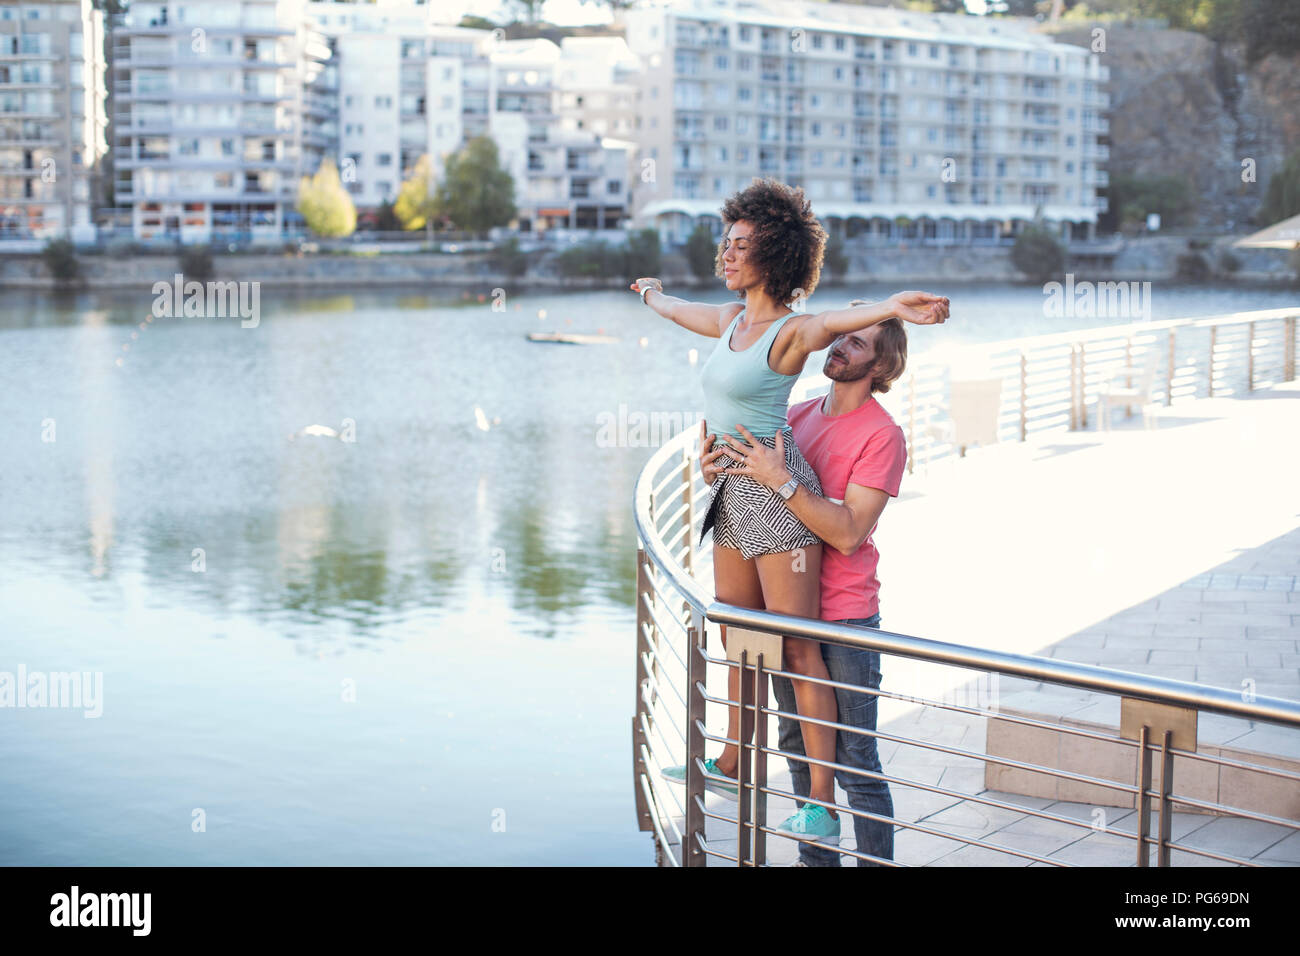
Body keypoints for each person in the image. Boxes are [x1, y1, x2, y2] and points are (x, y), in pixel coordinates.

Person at [636, 177, 947, 845]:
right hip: (732, 489)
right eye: (726, 241)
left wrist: (892, 304)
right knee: (737, 638)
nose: (727, 253)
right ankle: (728, 760)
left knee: (797, 648)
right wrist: (652, 295)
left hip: (776, 496)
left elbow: (830, 322)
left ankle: (821, 806)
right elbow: (682, 310)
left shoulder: (787, 333)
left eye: (741, 246)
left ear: (772, 257)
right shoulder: (730, 321)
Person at [700, 301, 910, 865]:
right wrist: (716, 468)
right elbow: (756, 484)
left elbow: (846, 534)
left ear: (881, 366)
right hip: (789, 608)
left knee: (855, 763)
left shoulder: (883, 436)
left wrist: (781, 479)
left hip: (843, 618)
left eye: (856, 344)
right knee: (797, 749)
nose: (838, 347)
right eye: (840, 337)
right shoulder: (796, 415)